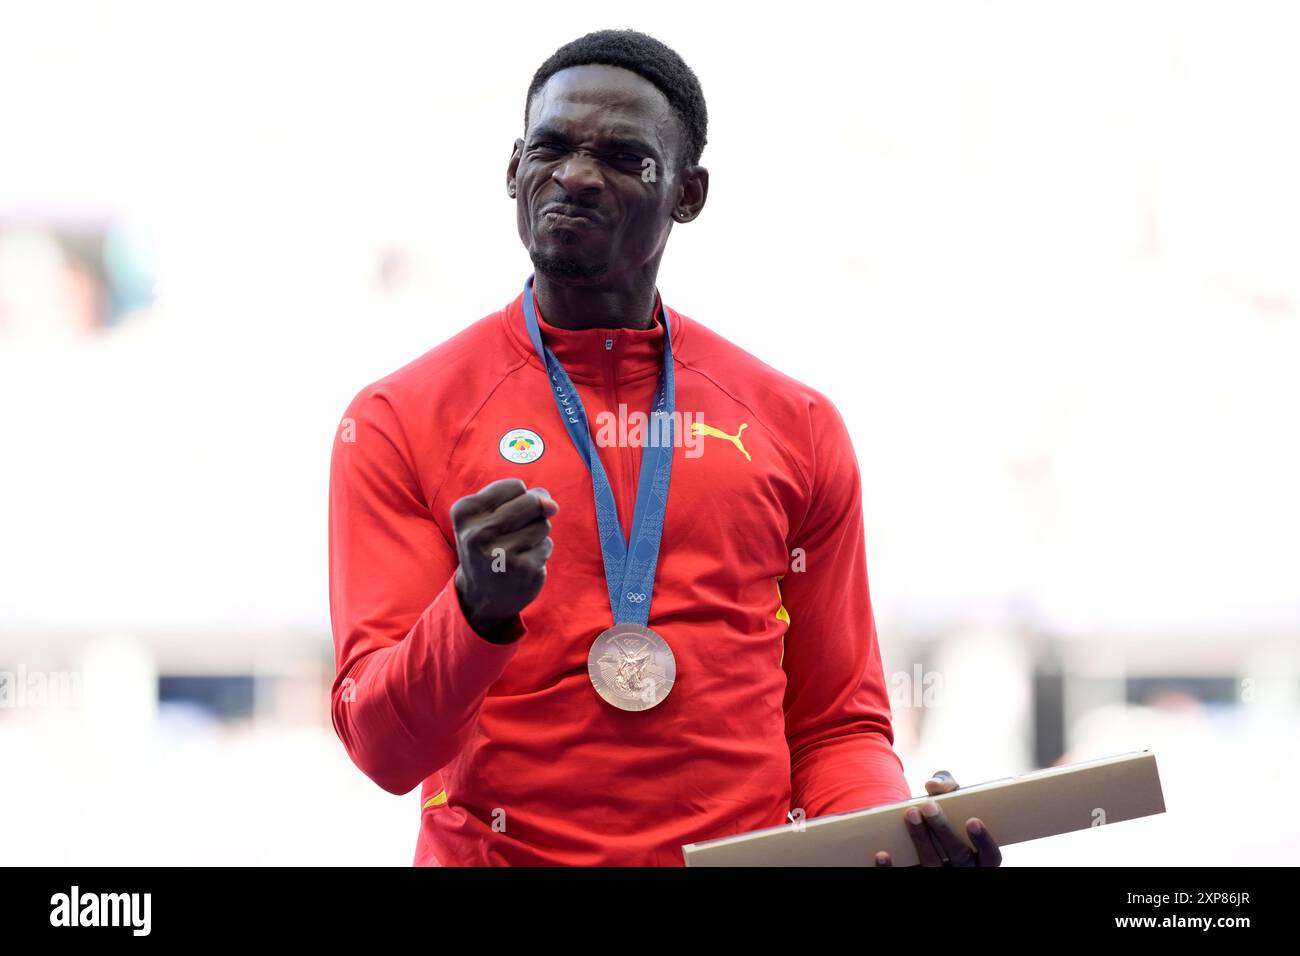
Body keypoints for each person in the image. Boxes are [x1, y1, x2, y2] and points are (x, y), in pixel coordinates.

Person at [328, 28, 1001, 867]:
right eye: (551, 147)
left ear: (689, 193)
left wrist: (889, 837)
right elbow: (384, 751)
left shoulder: (795, 424)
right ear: (512, 171)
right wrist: (472, 612)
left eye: (620, 156)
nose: (573, 175)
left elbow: (836, 728)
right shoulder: (400, 417)